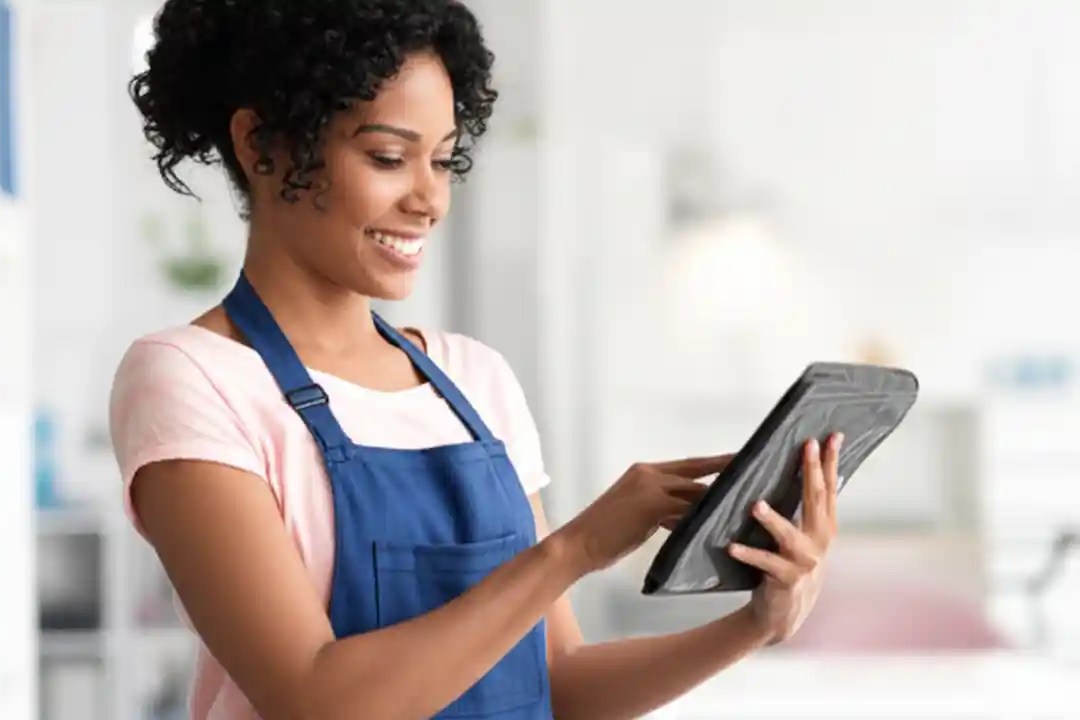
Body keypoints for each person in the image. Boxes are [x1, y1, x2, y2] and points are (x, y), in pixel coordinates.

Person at [109, 1, 842, 718]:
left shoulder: (473, 379)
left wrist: (755, 625)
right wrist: (575, 548)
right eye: (390, 158)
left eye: (443, 159)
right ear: (261, 144)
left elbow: (558, 683)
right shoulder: (193, 378)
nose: (430, 198)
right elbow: (316, 699)